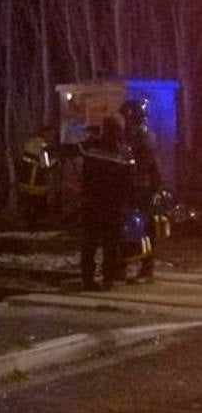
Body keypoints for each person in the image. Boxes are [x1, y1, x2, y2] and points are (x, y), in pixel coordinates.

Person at [77, 117, 134, 291]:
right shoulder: (123, 153)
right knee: (110, 243)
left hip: (93, 203)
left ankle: (88, 279)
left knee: (91, 243)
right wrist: (128, 203)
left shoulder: (91, 149)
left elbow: (86, 175)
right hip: (112, 205)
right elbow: (128, 181)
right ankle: (107, 279)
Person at [120, 98, 162, 283]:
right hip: (139, 187)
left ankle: (145, 267)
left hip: (138, 189)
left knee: (140, 228)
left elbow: (137, 163)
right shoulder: (143, 134)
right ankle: (134, 265)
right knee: (136, 228)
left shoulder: (139, 136)